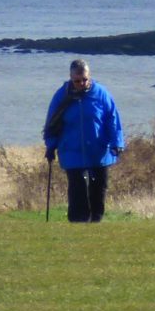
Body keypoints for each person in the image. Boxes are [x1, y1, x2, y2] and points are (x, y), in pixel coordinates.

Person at [42, 59, 125, 223]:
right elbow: (52, 122)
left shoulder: (101, 93)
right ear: (71, 77)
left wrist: (117, 143)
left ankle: (96, 221)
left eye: (84, 80)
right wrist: (51, 146)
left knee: (99, 188)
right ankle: (77, 222)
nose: (81, 83)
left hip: (99, 150)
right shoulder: (61, 96)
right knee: (77, 187)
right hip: (72, 150)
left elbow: (112, 119)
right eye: (77, 81)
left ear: (90, 76)